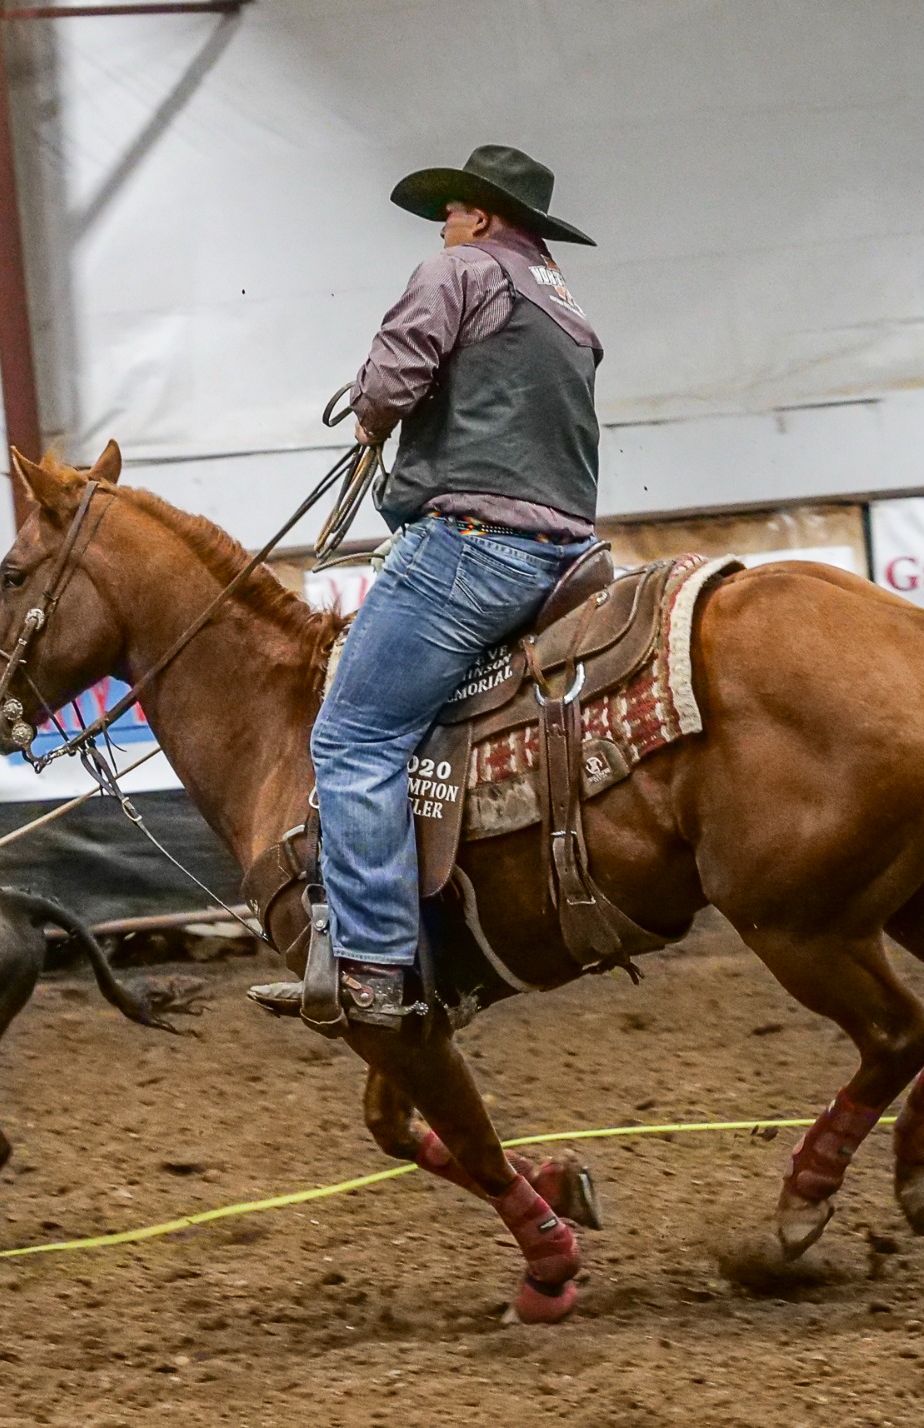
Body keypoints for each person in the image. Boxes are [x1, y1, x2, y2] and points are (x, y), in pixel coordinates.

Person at [310, 144, 604, 1027]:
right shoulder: (569, 311)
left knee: (354, 737)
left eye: (450, 210)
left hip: (473, 547)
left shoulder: (460, 269)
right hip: (566, 550)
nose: (442, 224)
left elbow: (395, 377)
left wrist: (367, 411)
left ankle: (372, 965)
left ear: (479, 215)